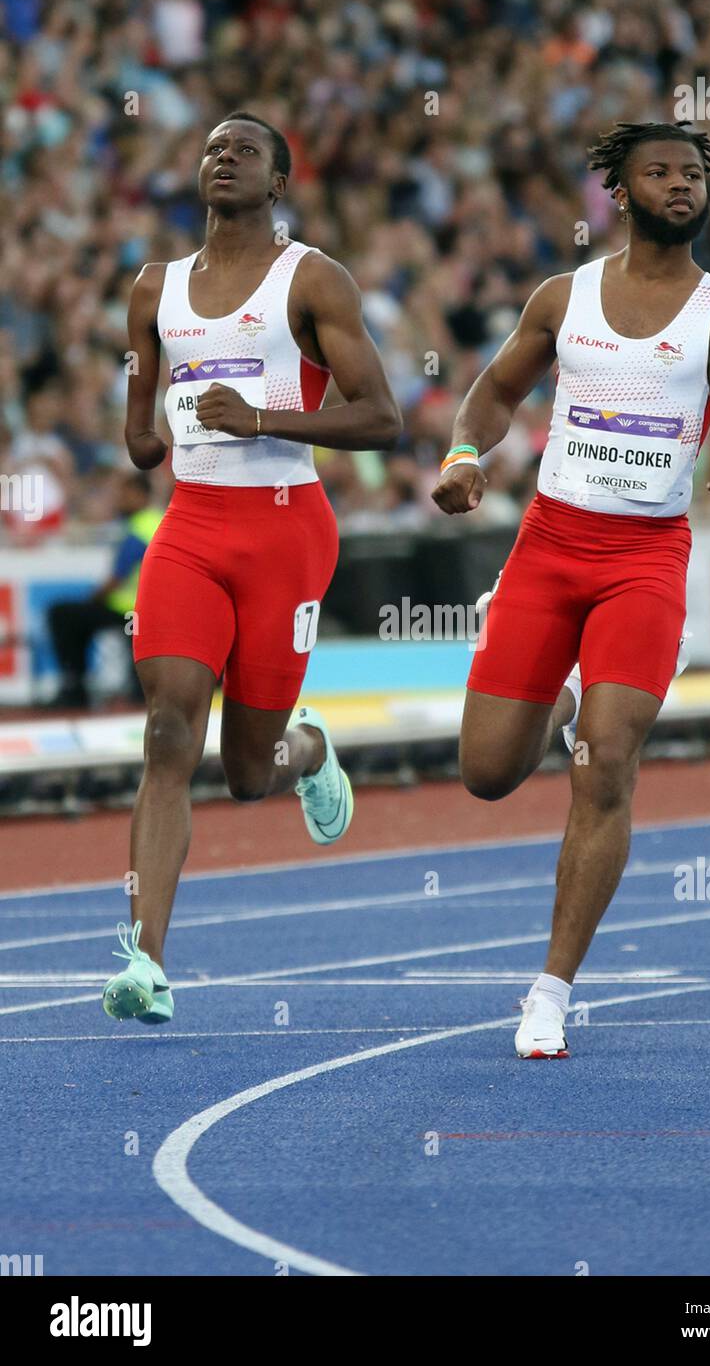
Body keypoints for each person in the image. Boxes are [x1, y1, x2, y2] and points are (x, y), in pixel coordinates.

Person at [433, 122, 710, 1058]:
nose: (679, 185)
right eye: (658, 172)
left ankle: (550, 990)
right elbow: (493, 394)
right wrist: (465, 455)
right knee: (489, 773)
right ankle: (566, 691)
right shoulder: (561, 297)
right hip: (548, 548)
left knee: (605, 763)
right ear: (617, 194)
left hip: (645, 559)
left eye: (693, 174)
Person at [102, 112, 401, 1026]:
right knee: (166, 734)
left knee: (245, 773)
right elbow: (144, 431)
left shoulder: (310, 279)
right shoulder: (153, 287)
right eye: (212, 148)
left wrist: (263, 420)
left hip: (285, 533)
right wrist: (145, 426)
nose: (222, 158)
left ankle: (306, 749)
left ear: (278, 182)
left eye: (245, 151)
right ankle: (145, 962)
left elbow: (381, 417)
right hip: (191, 527)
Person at [47, 472, 161, 707]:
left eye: (125, 494)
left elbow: (117, 578)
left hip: (129, 613)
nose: (120, 499)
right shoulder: (156, 520)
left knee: (63, 614)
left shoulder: (140, 526)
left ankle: (73, 687)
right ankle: (134, 689)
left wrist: (93, 598)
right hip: (146, 612)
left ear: (141, 495)